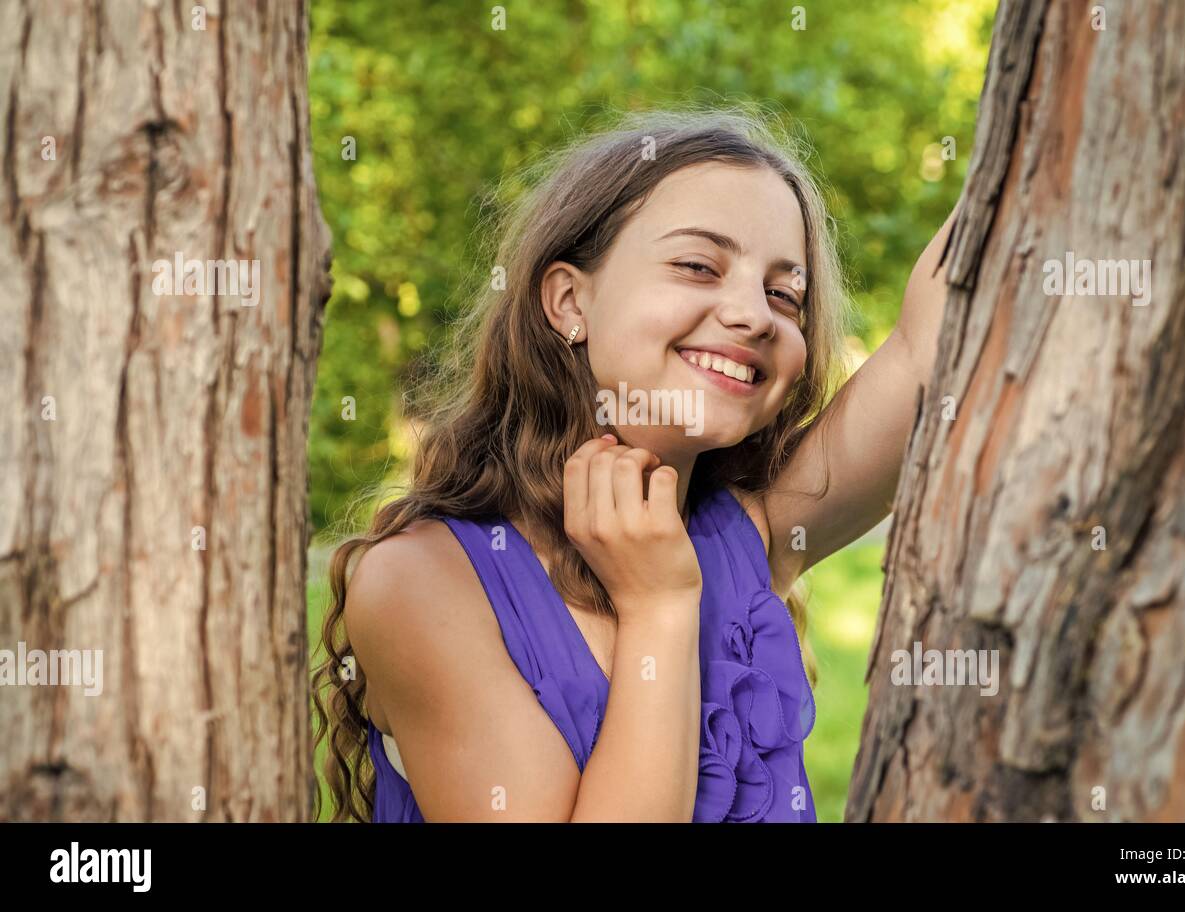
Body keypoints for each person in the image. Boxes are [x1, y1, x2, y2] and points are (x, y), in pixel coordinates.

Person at [312, 106, 956, 822]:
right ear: (568, 301)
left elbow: (933, 345)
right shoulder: (423, 584)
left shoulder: (752, 533)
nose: (752, 314)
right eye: (696, 266)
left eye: (784, 294)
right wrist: (659, 605)